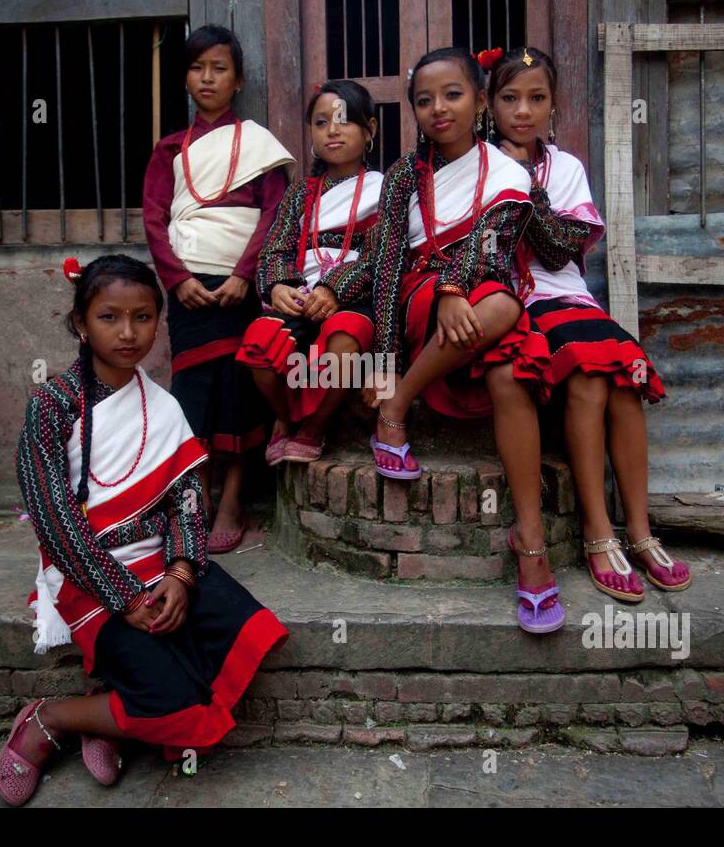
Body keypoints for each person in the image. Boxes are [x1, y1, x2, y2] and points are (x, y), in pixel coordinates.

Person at [0, 255, 289, 807]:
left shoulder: (163, 406)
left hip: (159, 561)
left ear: (159, 322)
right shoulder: (52, 408)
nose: (128, 333)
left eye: (143, 316)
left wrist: (181, 574)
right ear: (81, 324)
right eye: (109, 317)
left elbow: (186, 500)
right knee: (174, 702)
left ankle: (108, 714)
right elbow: (56, 523)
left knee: (248, 633)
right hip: (89, 575)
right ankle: (51, 717)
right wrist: (124, 597)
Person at [365, 46, 562, 634]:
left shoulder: (508, 171)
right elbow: (383, 265)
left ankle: (530, 540)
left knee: (510, 372)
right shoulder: (404, 176)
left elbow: (497, 244)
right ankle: (394, 397)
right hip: (421, 299)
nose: (437, 109)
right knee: (497, 306)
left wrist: (458, 287)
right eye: (423, 100)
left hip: (482, 295)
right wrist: (380, 362)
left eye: (452, 95)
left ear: (480, 101)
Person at [487, 44, 690, 603]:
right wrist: (515, 186)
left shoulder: (566, 168)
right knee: (589, 378)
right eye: (509, 99)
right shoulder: (477, 165)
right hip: (520, 304)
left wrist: (527, 194)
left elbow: (560, 252)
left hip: (571, 299)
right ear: (490, 104)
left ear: (553, 107)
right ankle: (598, 534)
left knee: (623, 381)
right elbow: (490, 252)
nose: (522, 111)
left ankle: (641, 532)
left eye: (536, 99)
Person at [141, 24, 294, 552]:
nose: (207, 77)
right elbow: (155, 219)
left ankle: (233, 498)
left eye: (219, 68)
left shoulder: (257, 146)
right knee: (193, 393)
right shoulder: (168, 151)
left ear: (238, 79)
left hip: (240, 285)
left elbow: (275, 214)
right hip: (189, 290)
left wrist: (244, 275)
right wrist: (177, 280)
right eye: (196, 67)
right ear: (185, 78)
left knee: (237, 388)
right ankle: (195, 493)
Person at [236, 79, 383, 464]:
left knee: (345, 338)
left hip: (354, 299)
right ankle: (284, 419)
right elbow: (276, 247)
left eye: (344, 120)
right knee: (259, 341)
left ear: (370, 129)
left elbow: (380, 256)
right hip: (301, 297)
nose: (332, 130)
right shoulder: (301, 193)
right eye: (321, 123)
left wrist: (335, 288)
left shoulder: (386, 189)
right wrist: (280, 286)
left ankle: (314, 428)